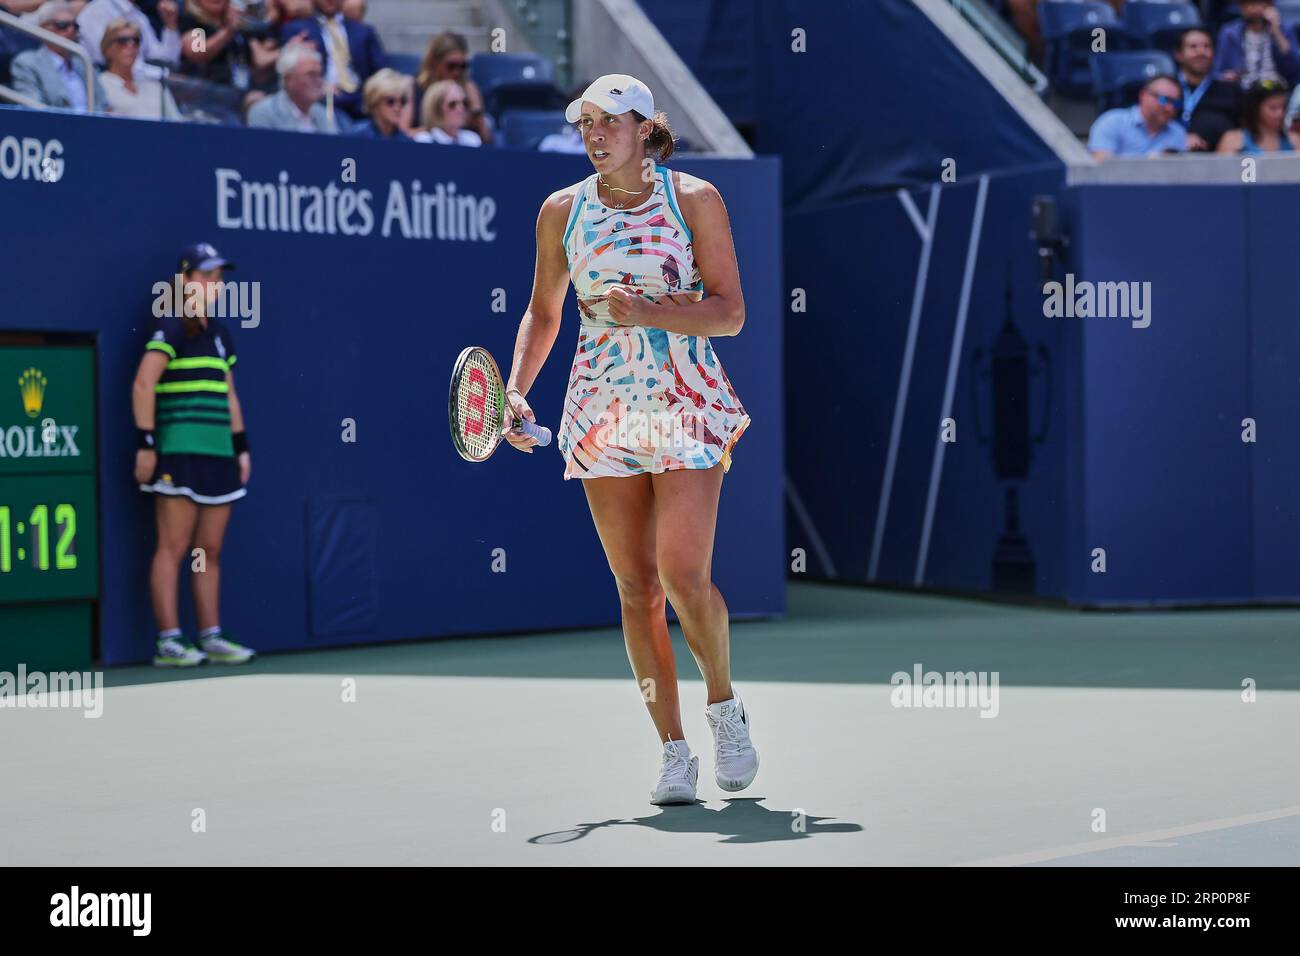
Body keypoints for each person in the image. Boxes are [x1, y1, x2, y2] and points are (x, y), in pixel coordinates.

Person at [501, 74, 756, 806]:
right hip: (602, 410)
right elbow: (544, 314)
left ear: (645, 128)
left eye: (609, 122)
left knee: (682, 577)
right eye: (585, 123)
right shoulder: (560, 212)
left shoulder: (696, 199)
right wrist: (518, 388)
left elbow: (731, 313)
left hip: (685, 404)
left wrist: (645, 311)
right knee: (636, 588)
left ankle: (724, 709)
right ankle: (674, 751)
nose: (594, 135)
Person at [133, 242, 256, 668]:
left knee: (209, 549)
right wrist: (147, 444)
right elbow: (144, 384)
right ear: (185, 281)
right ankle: (169, 641)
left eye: (218, 278)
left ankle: (210, 637)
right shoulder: (169, 329)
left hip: (219, 455)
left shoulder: (221, 336)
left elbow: (231, 396)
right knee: (174, 546)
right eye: (206, 276)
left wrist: (240, 449)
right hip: (178, 455)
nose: (214, 285)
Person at [279, 0, 384, 120]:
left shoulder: (363, 31)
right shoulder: (297, 29)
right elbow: (288, 70)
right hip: (320, 97)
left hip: (360, 98)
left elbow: (381, 71)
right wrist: (320, 86)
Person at [10, 2, 107, 112]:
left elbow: (103, 104)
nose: (71, 30)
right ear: (44, 28)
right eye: (62, 25)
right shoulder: (27, 63)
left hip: (93, 126)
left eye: (75, 26)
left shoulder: (83, 62)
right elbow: (32, 109)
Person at [178, 0, 278, 93]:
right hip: (205, 91)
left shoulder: (239, 25)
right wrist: (228, 31)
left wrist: (287, 48)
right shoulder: (194, 22)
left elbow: (259, 59)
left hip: (238, 90)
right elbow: (197, 53)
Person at [415, 31, 491, 145]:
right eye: (451, 66)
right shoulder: (417, 88)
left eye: (462, 66)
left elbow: (487, 140)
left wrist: (476, 111)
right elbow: (405, 132)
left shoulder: (468, 89)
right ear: (435, 62)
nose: (457, 72)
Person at [1087, 73, 1188, 160]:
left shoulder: (1178, 133)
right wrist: (1150, 162)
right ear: (1144, 95)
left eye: (1175, 103)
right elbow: (1101, 168)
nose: (1169, 108)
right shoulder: (1112, 122)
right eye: (1164, 100)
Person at [99, 16, 183, 118]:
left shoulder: (157, 87)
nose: (131, 45)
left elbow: (176, 121)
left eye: (136, 40)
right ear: (107, 48)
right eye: (122, 41)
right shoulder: (98, 85)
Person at [1175, 27, 1243, 151]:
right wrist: (1178, 139)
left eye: (1207, 47)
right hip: (1168, 161)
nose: (1201, 52)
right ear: (1179, 55)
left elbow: (1244, 133)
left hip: (1219, 162)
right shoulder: (1167, 89)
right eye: (1193, 47)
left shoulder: (1230, 90)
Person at [246, 42, 335, 131]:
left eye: (320, 74)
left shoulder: (324, 115)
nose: (318, 81)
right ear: (288, 79)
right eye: (311, 74)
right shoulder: (264, 112)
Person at [1214, 0, 1300, 88]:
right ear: (1240, 7)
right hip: (1241, 91)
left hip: (1277, 91)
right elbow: (1218, 72)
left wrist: (1277, 32)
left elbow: (1295, 69)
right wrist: (1227, 76)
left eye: (1258, 3)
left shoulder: (1284, 30)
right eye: (1248, 4)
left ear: (1269, 5)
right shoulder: (1229, 33)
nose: (1253, 9)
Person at [77, 0, 180, 69]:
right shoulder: (96, 10)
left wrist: (170, 24)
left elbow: (165, 59)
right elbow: (105, 59)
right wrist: (156, 74)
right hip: (104, 82)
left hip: (139, 83)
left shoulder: (139, 16)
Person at [1218, 79, 1300, 153]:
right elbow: (1223, 169)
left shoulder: (1294, 141)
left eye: (1283, 107)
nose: (1280, 113)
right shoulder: (1233, 141)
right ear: (1255, 109)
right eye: (1273, 108)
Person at [348, 67, 413, 138]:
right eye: (390, 101)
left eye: (402, 101)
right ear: (375, 103)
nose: (397, 108)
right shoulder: (356, 136)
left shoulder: (406, 141)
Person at [414, 78, 481, 146]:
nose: (461, 108)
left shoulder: (472, 139)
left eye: (464, 103)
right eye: (452, 104)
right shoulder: (425, 140)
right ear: (436, 109)